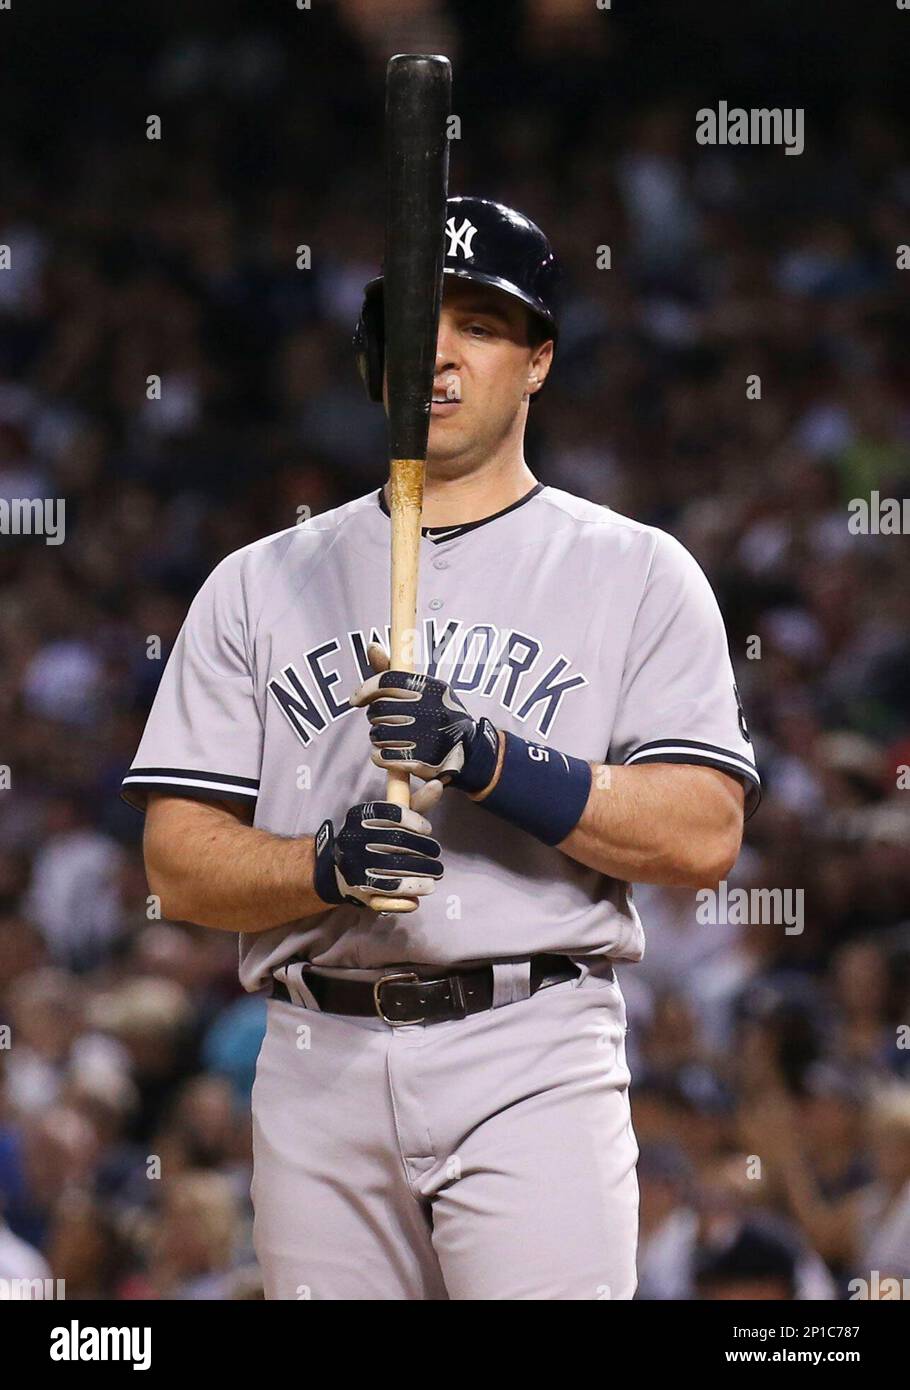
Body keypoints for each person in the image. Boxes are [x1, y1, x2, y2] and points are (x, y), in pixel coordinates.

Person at [123, 197, 759, 1300]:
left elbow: (702, 833)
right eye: (419, 323)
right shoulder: (258, 580)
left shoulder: (634, 569)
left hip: (531, 1045)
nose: (443, 354)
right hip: (315, 1052)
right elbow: (177, 861)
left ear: (540, 360)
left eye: (481, 324)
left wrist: (490, 757)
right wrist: (317, 866)